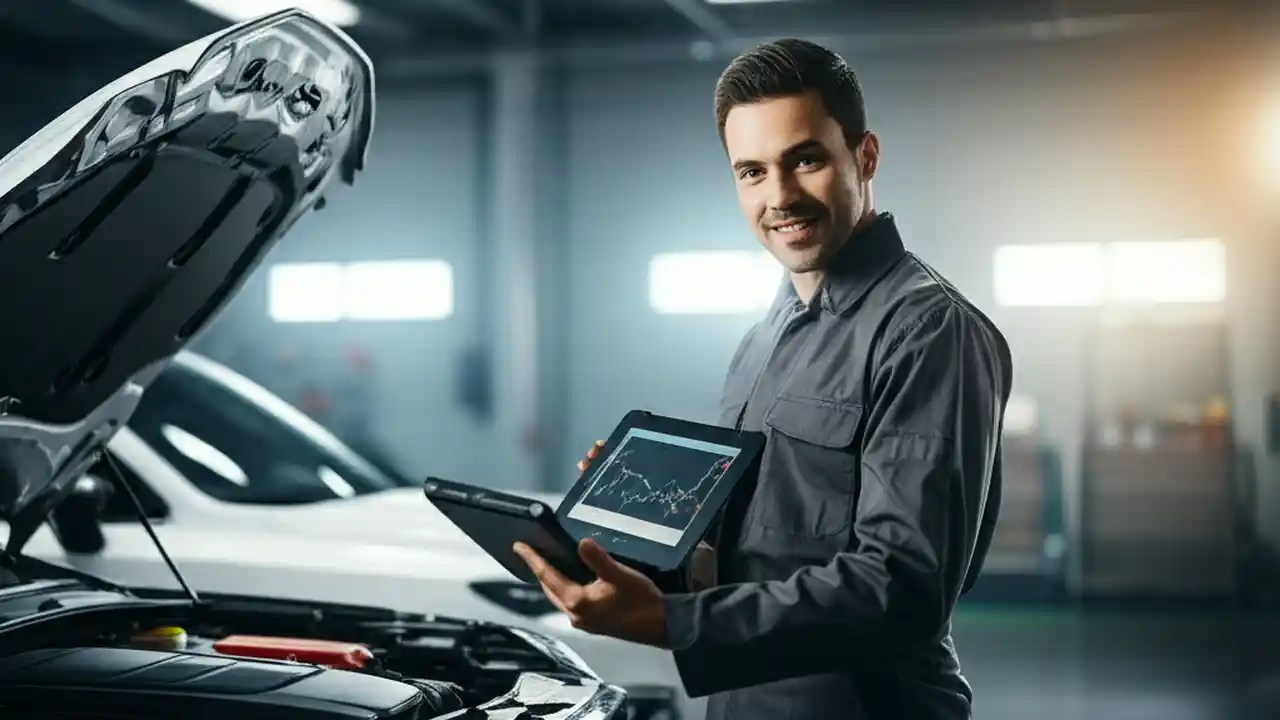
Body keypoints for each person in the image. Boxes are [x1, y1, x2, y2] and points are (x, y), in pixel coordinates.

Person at [514, 38, 1012, 719]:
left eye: (805, 160)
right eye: (751, 172)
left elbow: (902, 589)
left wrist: (672, 624)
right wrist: (647, 551)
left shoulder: (928, 331)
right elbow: (756, 557)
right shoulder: (763, 339)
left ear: (864, 157)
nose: (779, 197)